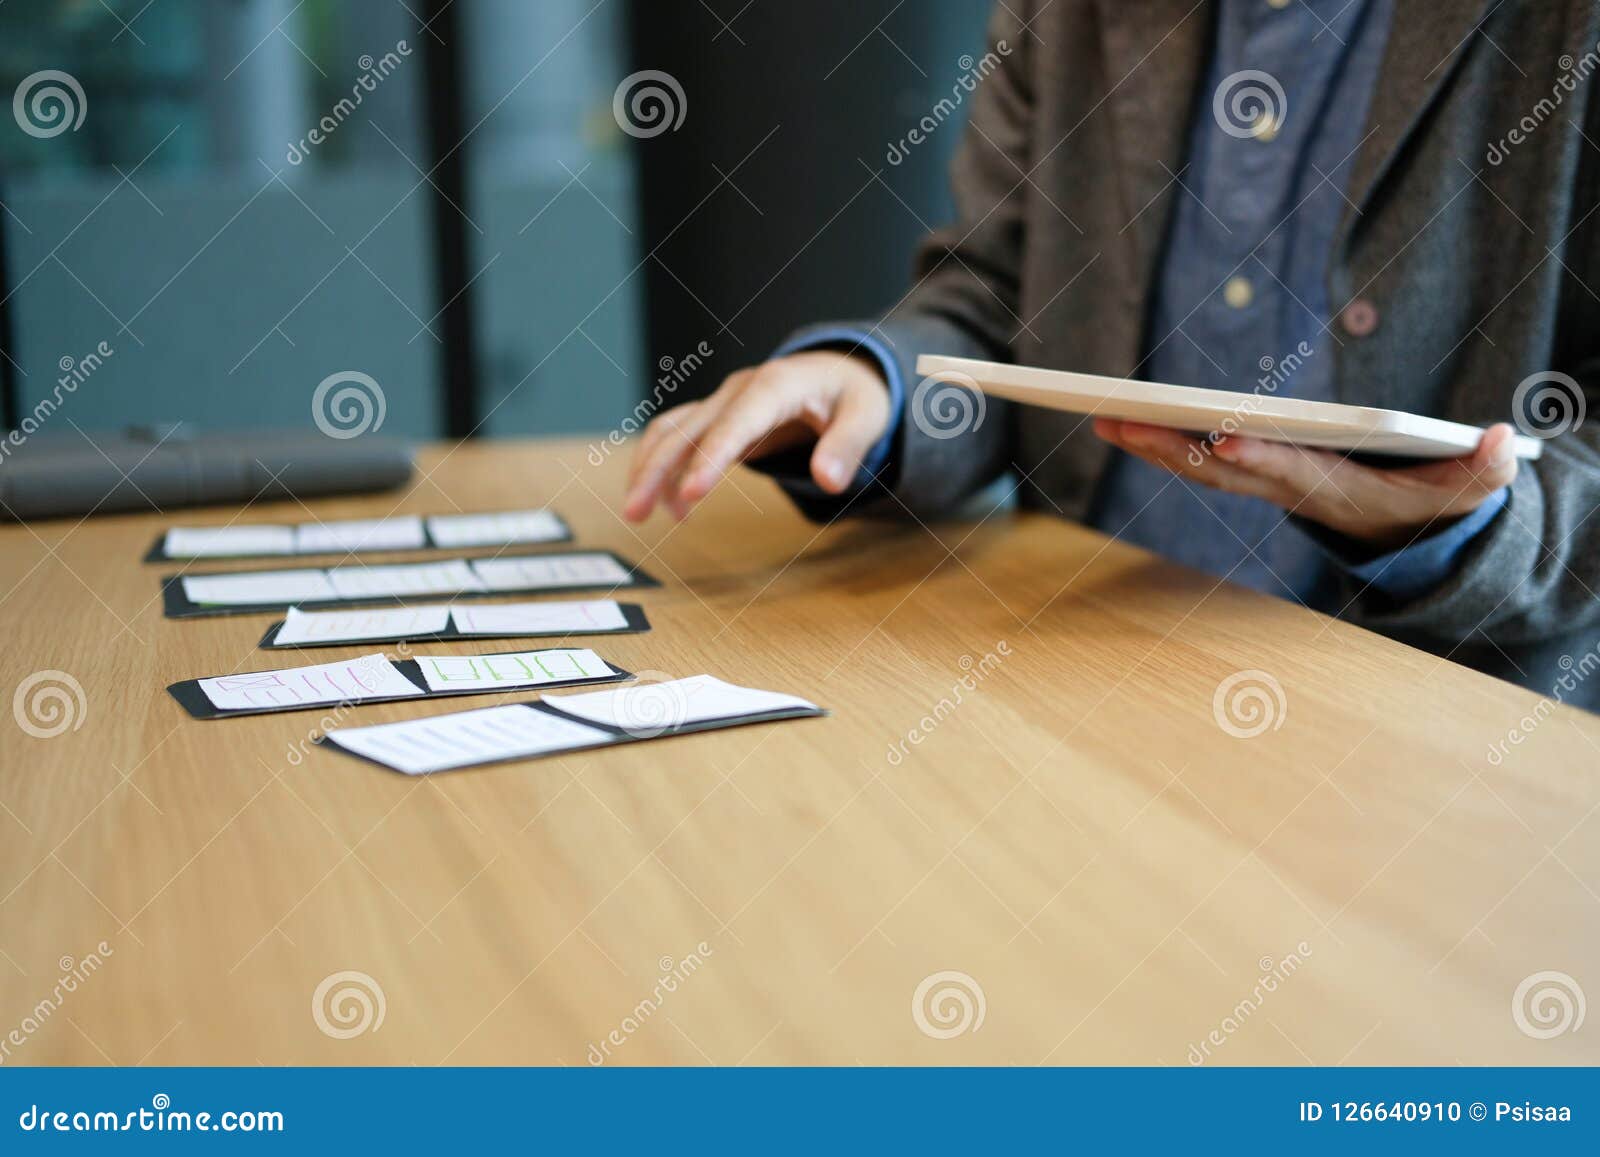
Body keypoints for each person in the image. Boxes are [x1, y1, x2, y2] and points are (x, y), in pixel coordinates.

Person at [624, 1, 1600, 711]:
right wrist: (878, 379)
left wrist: (1457, 528)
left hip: (1437, 731)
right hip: (1077, 666)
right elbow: (992, 295)